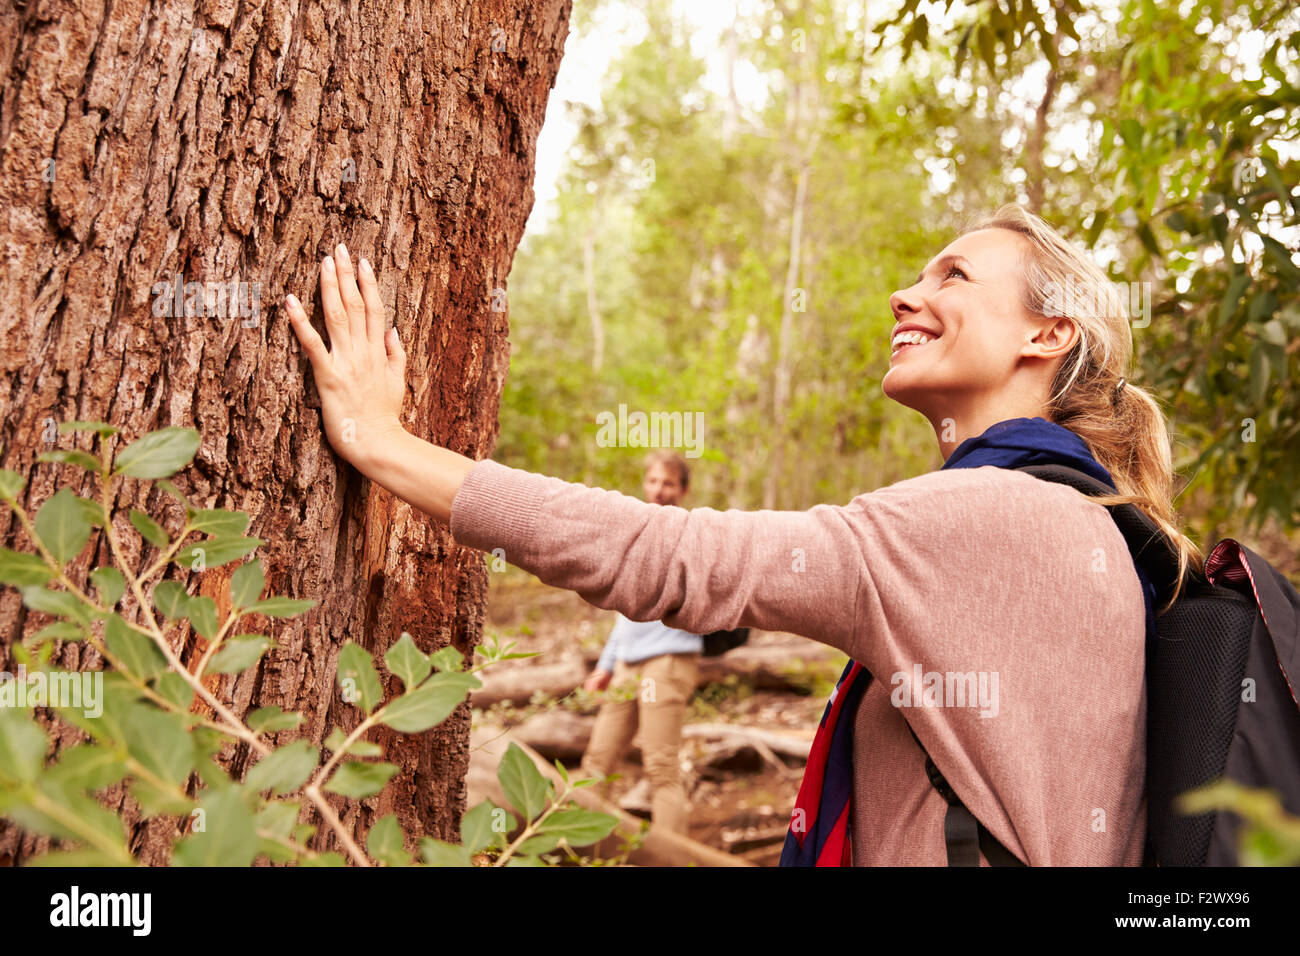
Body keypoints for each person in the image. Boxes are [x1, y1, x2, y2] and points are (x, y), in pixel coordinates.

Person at [284, 203, 1203, 865]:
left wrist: (385, 445)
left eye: (952, 276)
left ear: (1047, 335)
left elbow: (668, 558)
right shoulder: (1095, 522)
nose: (903, 294)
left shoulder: (989, 514)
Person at [578, 449, 702, 835]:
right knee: (596, 761)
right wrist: (605, 665)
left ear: (683, 488)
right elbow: (625, 610)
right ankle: (581, 848)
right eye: (653, 481)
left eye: (668, 483)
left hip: (668, 659)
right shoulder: (638, 527)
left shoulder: (693, 532)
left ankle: (673, 860)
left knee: (660, 768)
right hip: (628, 663)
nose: (659, 490)